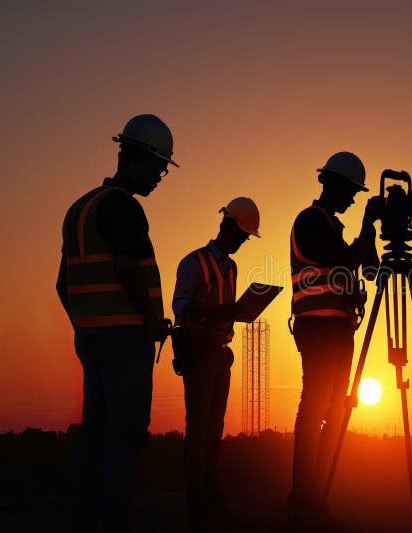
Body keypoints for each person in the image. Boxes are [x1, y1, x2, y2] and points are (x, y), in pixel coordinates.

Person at [56, 114, 177, 532]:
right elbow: (128, 270)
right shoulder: (124, 207)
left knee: (95, 435)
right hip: (125, 340)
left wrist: (87, 325)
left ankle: (85, 521)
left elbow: (62, 283)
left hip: (91, 339)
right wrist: (148, 323)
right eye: (160, 166)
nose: (161, 176)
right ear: (140, 157)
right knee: (126, 437)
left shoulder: (80, 208)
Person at [287, 151, 380, 530]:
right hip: (319, 330)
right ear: (331, 183)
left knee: (335, 411)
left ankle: (317, 498)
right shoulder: (311, 220)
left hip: (339, 329)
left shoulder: (332, 225)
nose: (353, 198)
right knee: (314, 411)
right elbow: (343, 259)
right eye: (350, 190)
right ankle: (302, 500)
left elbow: (359, 268)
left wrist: (352, 296)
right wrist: (368, 226)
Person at [171, 197, 260, 530]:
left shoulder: (231, 267)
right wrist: (218, 313)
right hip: (198, 349)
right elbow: (180, 306)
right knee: (198, 430)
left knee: (214, 431)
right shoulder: (194, 263)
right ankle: (196, 505)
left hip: (220, 352)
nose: (243, 242)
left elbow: (224, 307)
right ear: (228, 226)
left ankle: (210, 496)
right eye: (242, 235)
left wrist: (237, 312)